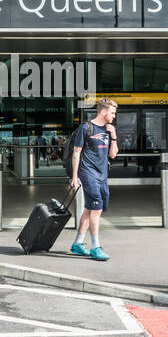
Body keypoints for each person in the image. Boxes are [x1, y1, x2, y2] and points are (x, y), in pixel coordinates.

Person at [70, 97, 118, 261]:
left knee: (90, 209)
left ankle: (77, 243)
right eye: (112, 113)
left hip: (102, 174)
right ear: (103, 111)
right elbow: (76, 153)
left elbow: (113, 154)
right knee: (96, 208)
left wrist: (113, 136)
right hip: (87, 172)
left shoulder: (108, 129)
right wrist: (75, 177)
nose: (114, 116)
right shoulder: (86, 127)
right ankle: (95, 246)